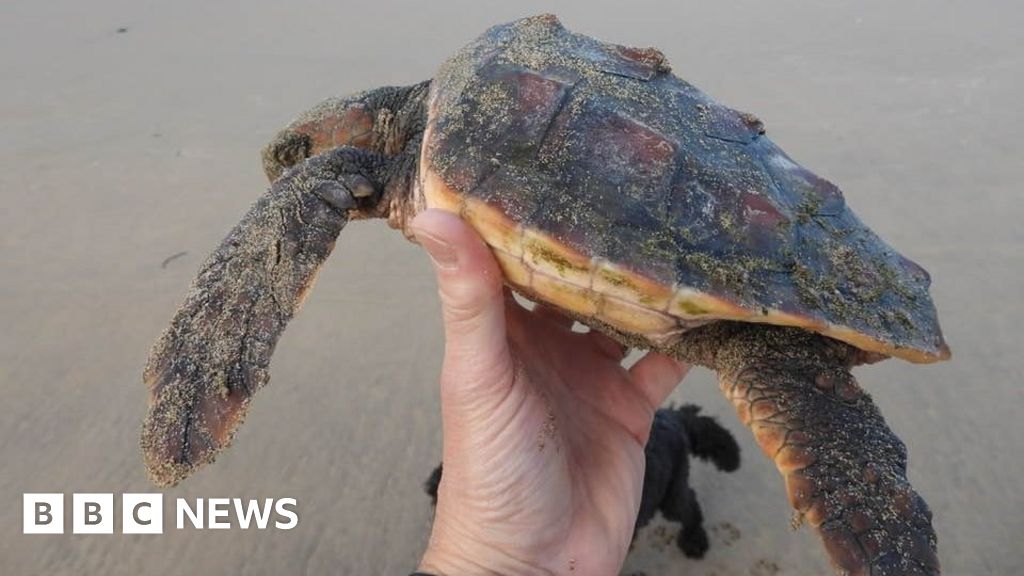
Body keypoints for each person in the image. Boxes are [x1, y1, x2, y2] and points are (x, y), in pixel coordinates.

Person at [409, 209, 692, 576]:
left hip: (635, 443)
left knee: (678, 503)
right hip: (625, 436)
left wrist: (485, 560)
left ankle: (692, 519)